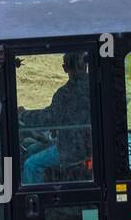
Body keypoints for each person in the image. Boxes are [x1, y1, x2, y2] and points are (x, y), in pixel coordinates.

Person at [20, 52, 92, 184]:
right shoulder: (94, 86)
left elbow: (48, 119)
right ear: (86, 65)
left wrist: (23, 115)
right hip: (86, 144)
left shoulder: (66, 93)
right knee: (32, 149)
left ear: (64, 68)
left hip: (71, 148)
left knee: (31, 165)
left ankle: (33, 200)